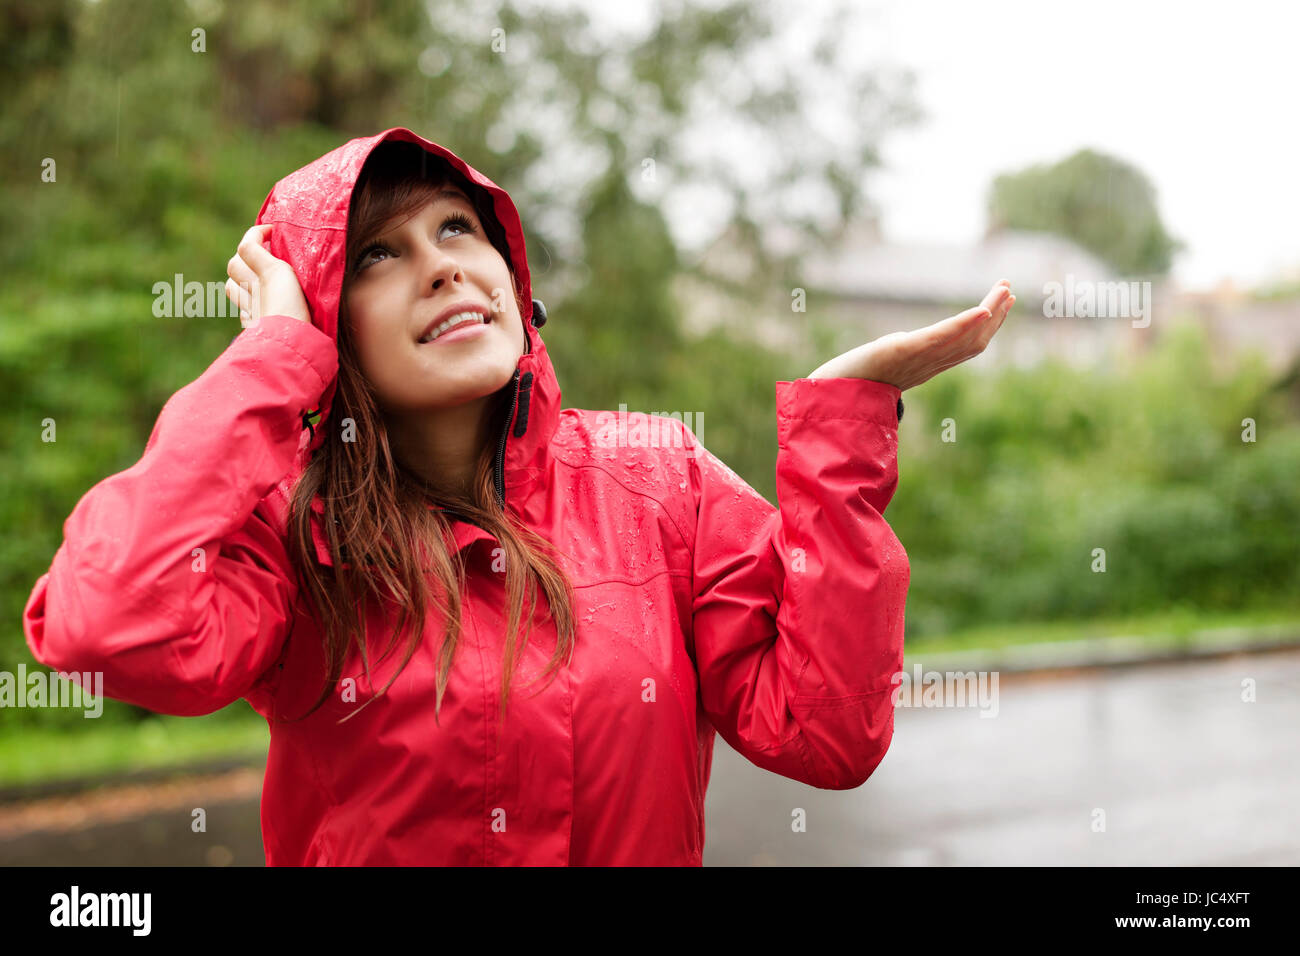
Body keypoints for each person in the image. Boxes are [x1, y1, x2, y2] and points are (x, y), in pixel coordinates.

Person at [23, 127, 1015, 865]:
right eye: (380, 252)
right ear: (328, 320)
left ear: (512, 278)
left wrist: (840, 426)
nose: (442, 262)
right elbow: (105, 624)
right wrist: (270, 361)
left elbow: (826, 730)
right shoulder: (293, 528)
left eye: (459, 229)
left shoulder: (657, 477)